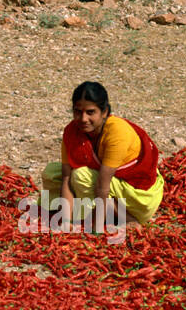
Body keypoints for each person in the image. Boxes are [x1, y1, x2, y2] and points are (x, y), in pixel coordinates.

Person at [39, 81, 165, 233]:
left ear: (104, 112)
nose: (83, 118)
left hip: (138, 194)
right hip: (109, 187)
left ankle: (129, 218)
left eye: (90, 112)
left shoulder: (117, 132)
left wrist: (94, 228)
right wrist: (66, 221)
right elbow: (66, 178)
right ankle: (80, 213)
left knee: (81, 176)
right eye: (78, 112)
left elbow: (103, 186)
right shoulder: (72, 131)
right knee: (52, 172)